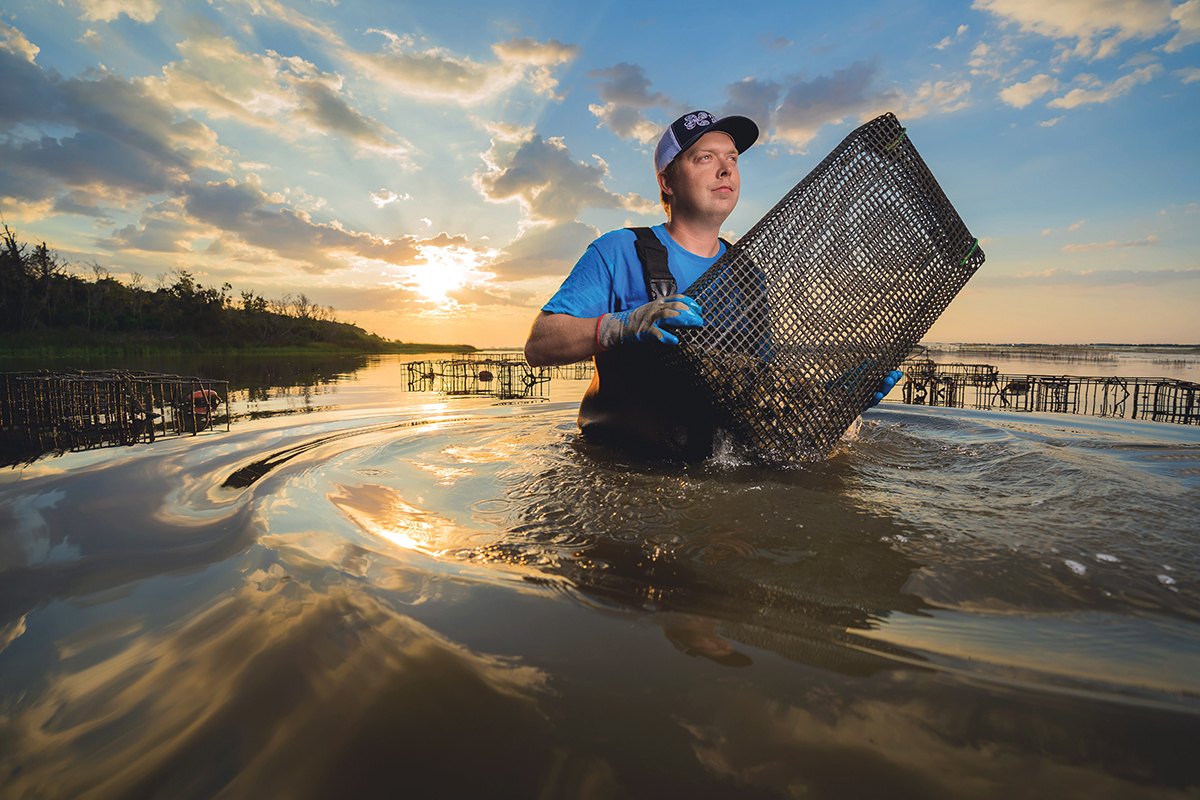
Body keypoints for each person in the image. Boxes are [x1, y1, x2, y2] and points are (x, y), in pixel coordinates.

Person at [524, 110, 899, 459]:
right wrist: (624, 325)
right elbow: (539, 345)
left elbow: (759, 393)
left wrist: (830, 401)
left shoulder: (746, 274)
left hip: (713, 467)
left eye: (732, 158)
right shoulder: (620, 251)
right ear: (667, 181)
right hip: (619, 464)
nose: (726, 170)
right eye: (705, 158)